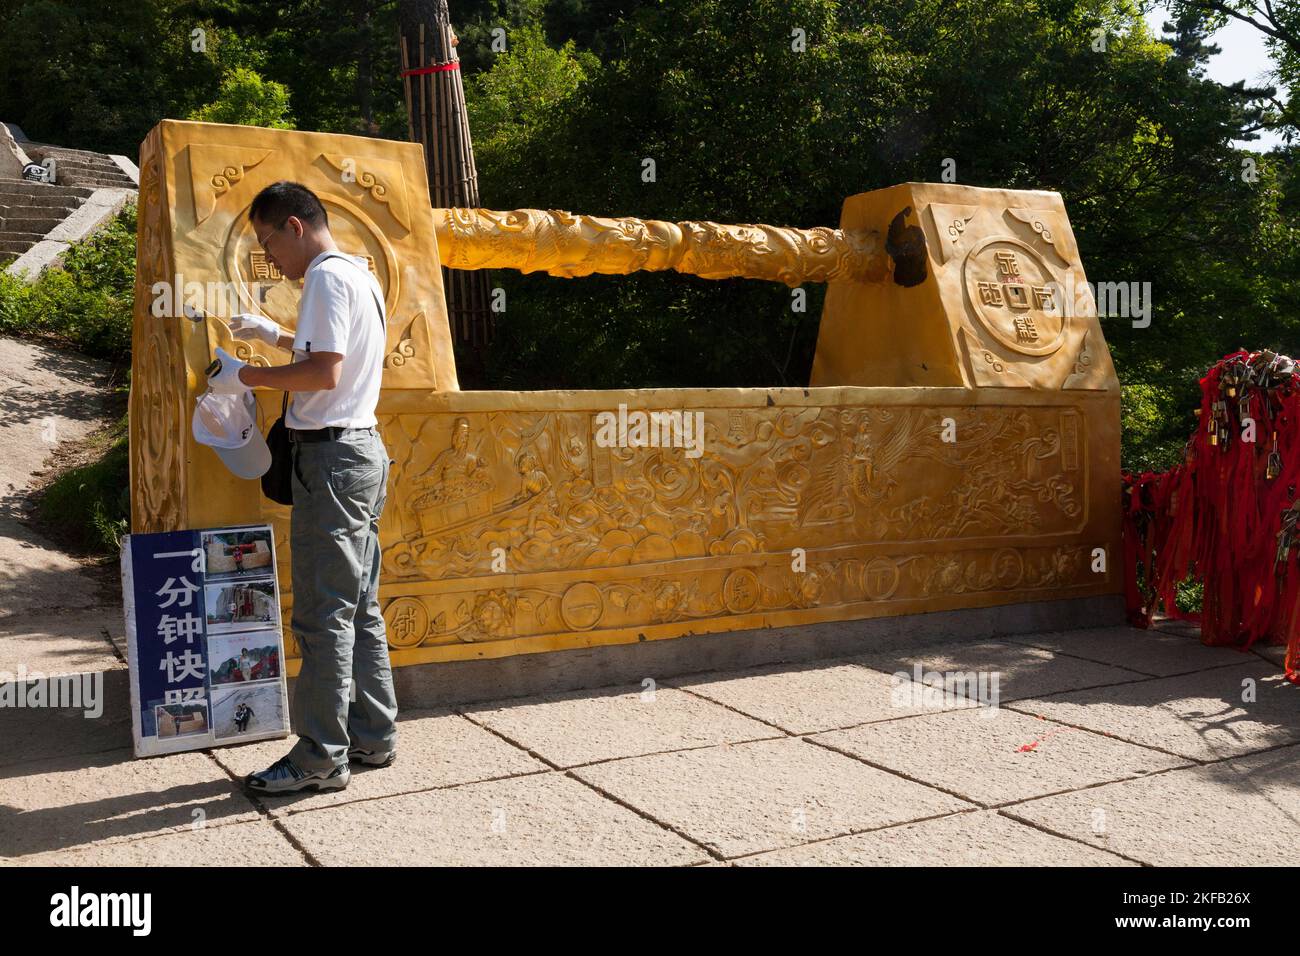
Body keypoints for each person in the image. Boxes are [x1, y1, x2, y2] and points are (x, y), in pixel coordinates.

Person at [207, 181, 398, 794]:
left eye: (268, 244)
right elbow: (330, 353)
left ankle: (320, 756)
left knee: (322, 613)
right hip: (360, 453)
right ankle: (373, 735)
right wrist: (271, 334)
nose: (271, 261)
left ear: (294, 226)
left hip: (333, 462)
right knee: (358, 603)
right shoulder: (359, 275)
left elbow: (322, 372)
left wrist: (248, 374)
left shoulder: (322, 277)